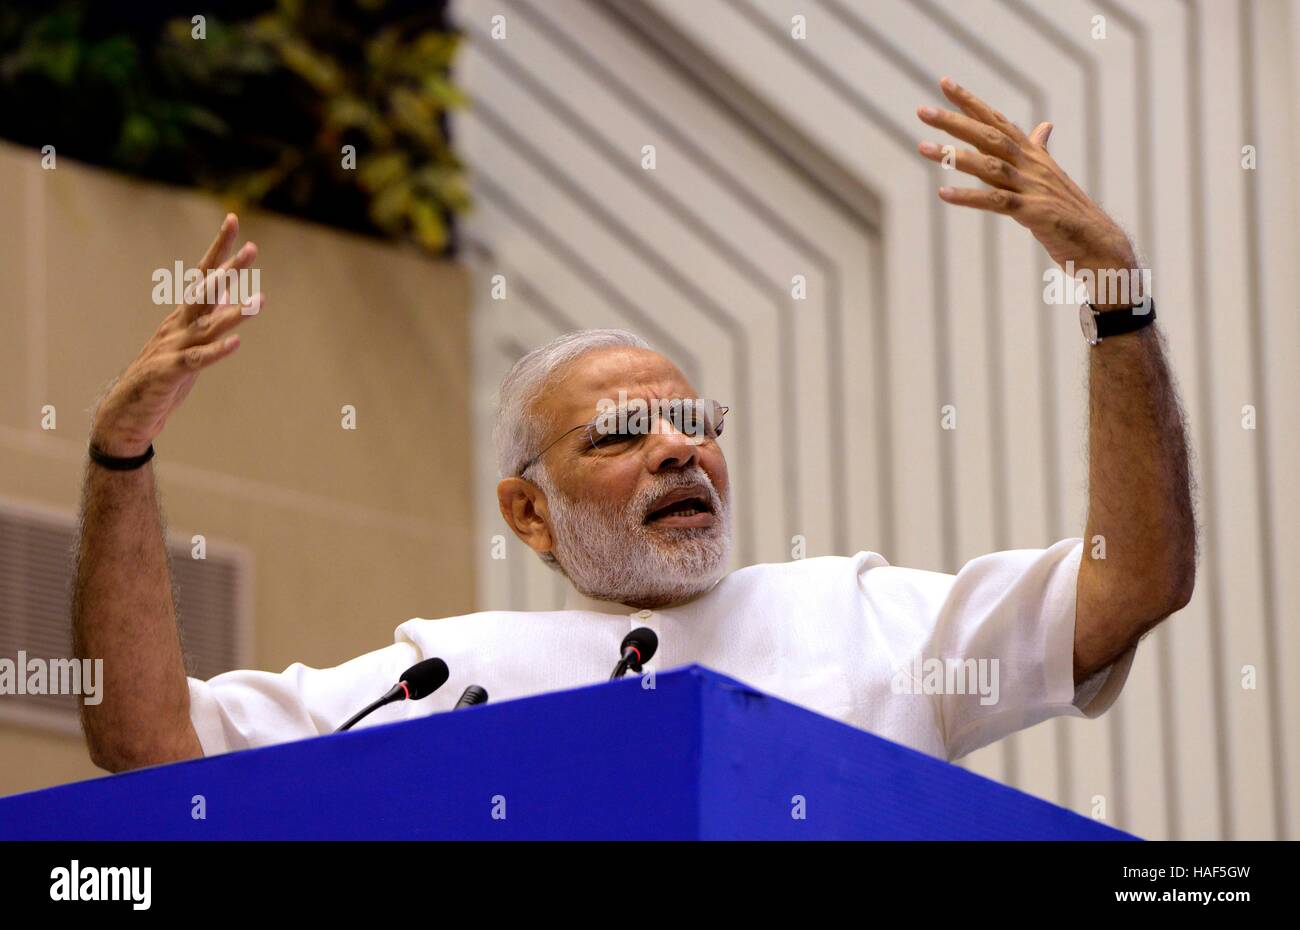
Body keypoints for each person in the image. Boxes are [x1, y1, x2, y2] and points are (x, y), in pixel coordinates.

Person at [73, 78, 1194, 772]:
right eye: (618, 435)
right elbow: (152, 746)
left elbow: (1135, 580)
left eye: (690, 422)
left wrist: (1114, 297)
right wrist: (120, 459)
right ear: (528, 511)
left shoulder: (866, 620)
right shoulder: (443, 680)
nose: (677, 447)